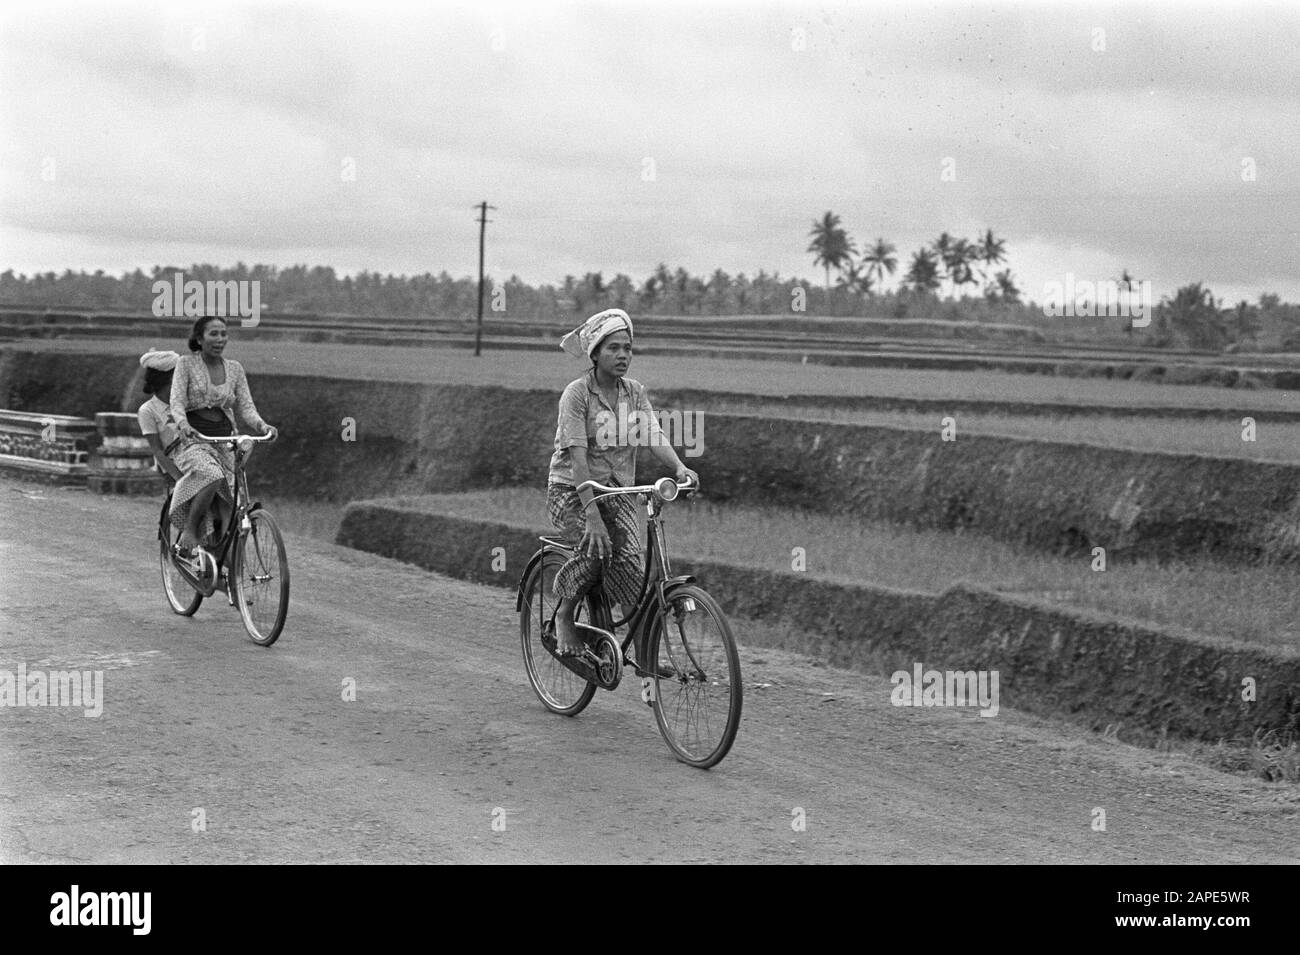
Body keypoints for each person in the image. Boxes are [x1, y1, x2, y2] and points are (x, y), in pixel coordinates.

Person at [547, 308, 698, 657]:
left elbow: (652, 432)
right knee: (597, 548)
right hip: (571, 491)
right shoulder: (577, 394)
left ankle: (646, 661)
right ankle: (565, 615)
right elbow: (578, 458)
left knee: (632, 564)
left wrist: (679, 468)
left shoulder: (634, 392)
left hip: (615, 491)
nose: (623, 356)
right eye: (614, 348)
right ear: (596, 353)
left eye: (628, 348)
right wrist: (593, 516)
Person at [168, 315, 277, 555]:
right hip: (195, 442)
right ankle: (190, 529)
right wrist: (184, 424)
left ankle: (227, 566)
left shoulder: (235, 369)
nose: (220, 339)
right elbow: (176, 402)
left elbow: (246, 407)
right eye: (213, 334)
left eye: (223, 334)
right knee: (211, 474)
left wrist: (262, 426)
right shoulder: (186, 364)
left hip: (227, 442)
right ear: (199, 338)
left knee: (232, 503)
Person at [136, 349, 184, 483]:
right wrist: (179, 478)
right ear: (169, 378)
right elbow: (157, 450)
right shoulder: (148, 411)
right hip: (174, 468)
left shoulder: (188, 402)